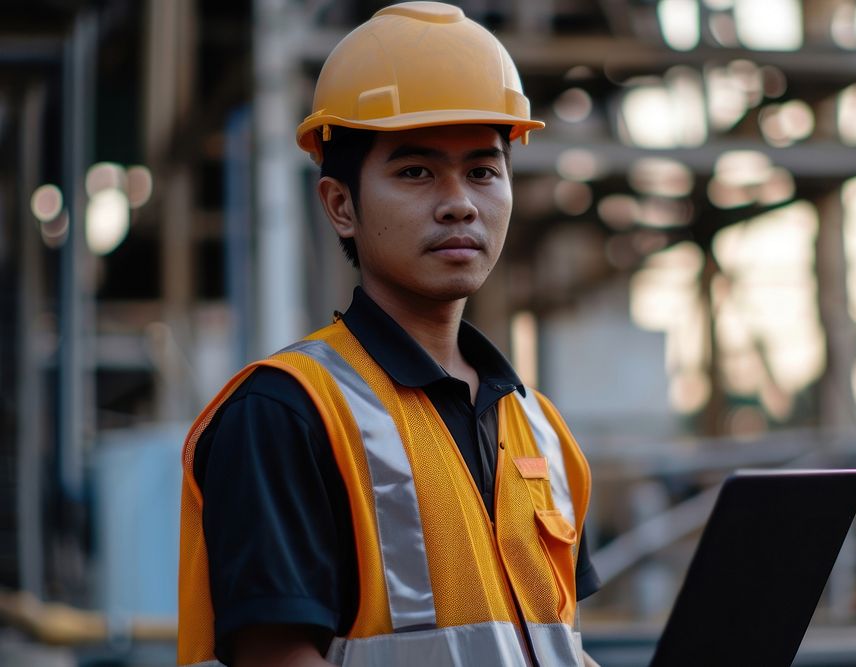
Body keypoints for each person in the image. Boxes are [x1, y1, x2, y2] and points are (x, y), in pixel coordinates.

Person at [178, 3, 601, 665]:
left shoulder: (539, 428)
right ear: (340, 205)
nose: (460, 200)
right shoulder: (284, 414)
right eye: (416, 171)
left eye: (484, 171)